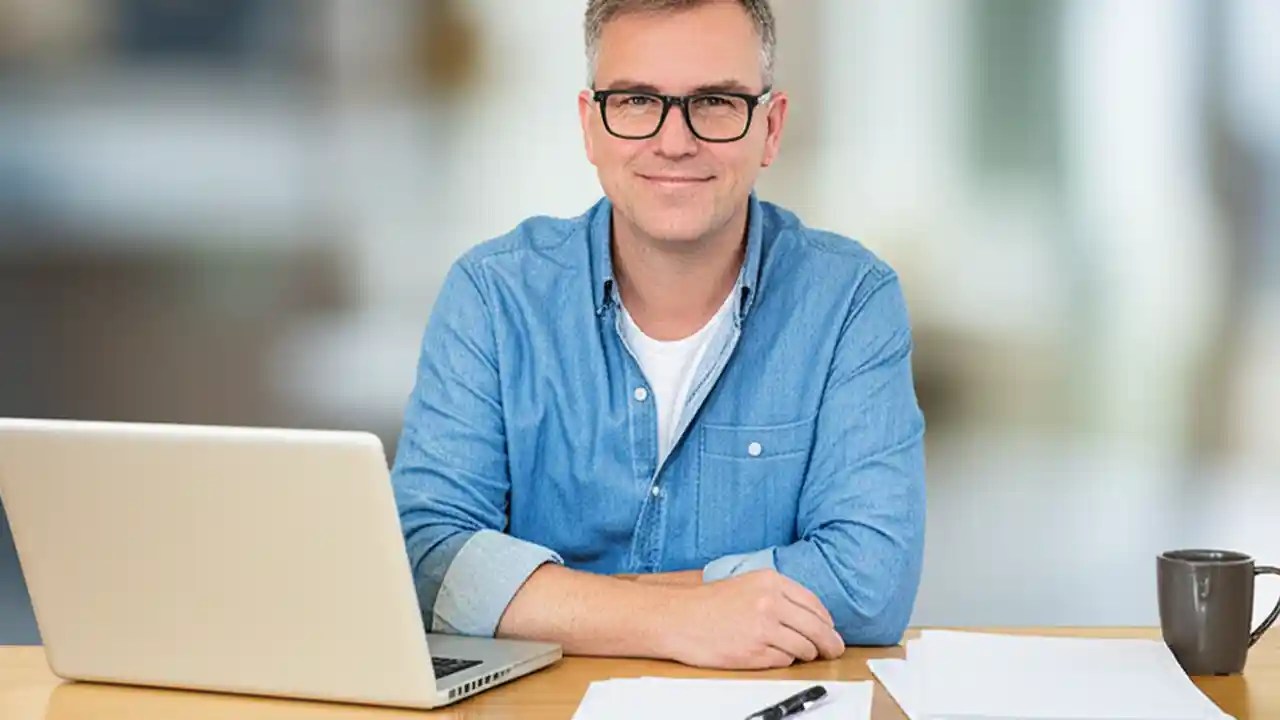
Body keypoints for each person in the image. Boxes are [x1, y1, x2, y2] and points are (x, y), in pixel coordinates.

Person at [391, 0, 925, 670]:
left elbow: (869, 584)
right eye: (639, 100)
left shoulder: (851, 301)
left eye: (717, 103)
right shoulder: (493, 297)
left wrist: (562, 604)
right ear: (590, 126)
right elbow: (423, 558)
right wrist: (677, 619)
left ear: (771, 128)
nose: (675, 142)